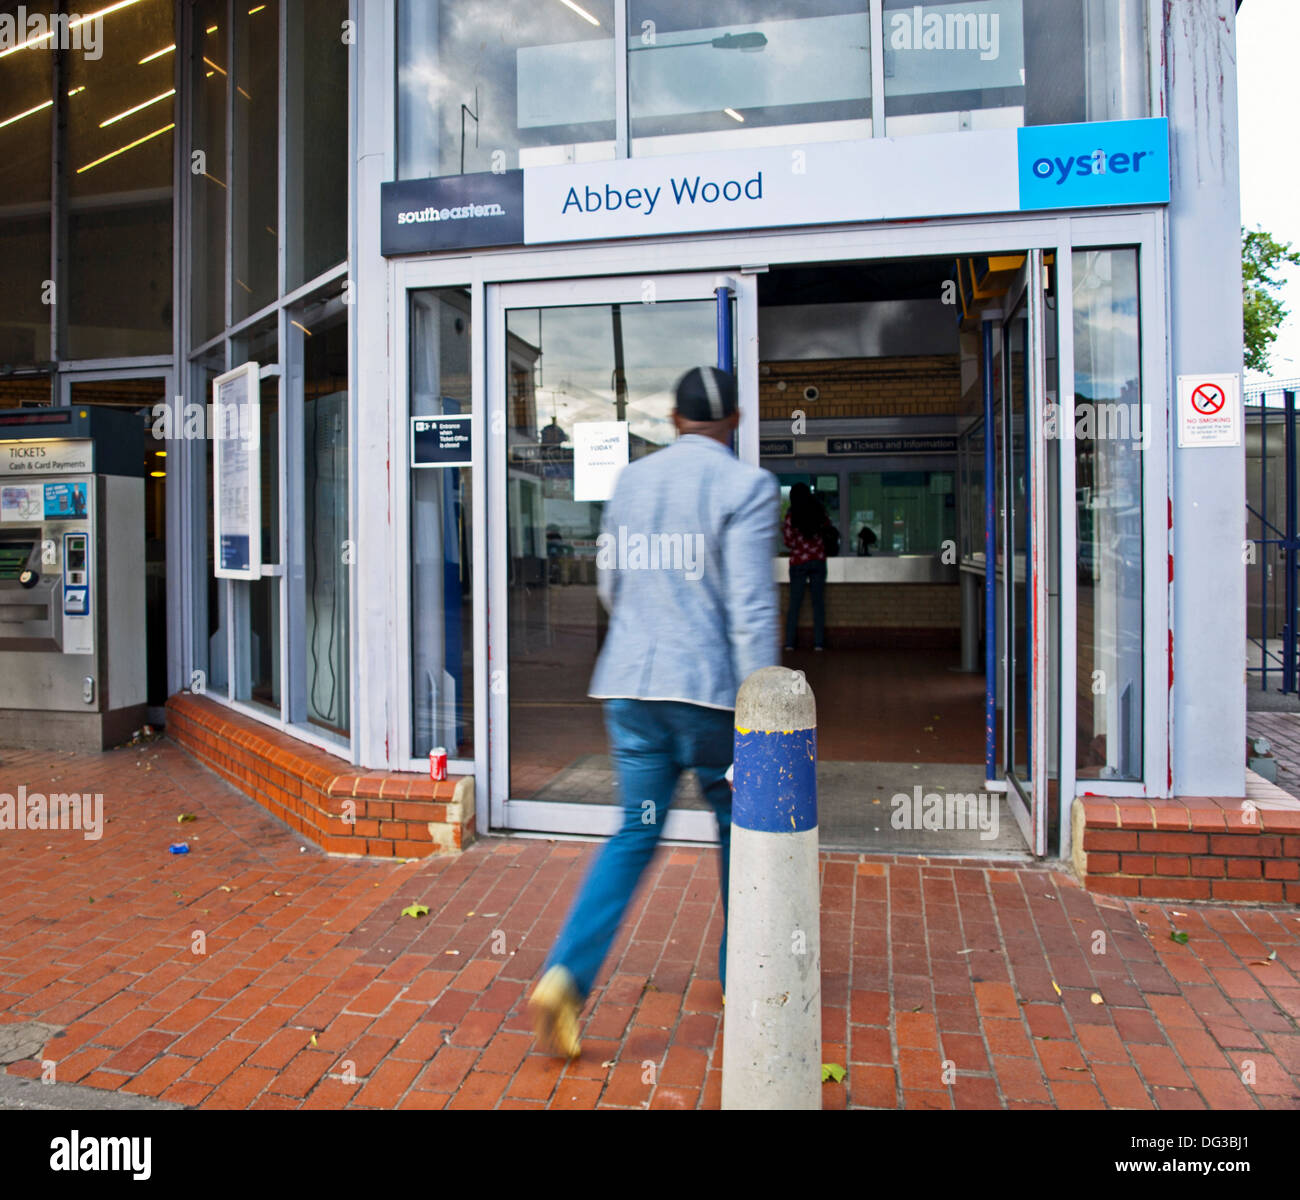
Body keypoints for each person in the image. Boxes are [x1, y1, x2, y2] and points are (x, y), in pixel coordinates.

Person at [528, 366, 779, 1059]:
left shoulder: (633, 482)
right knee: (739, 828)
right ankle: (741, 976)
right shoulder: (746, 487)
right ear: (734, 424)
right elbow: (752, 608)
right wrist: (765, 708)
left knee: (635, 834)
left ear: (674, 419)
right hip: (710, 700)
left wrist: (649, 633)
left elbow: (610, 583)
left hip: (633, 692)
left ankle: (566, 977)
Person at [783, 482, 832, 651]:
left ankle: (790, 643)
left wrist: (799, 545)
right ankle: (818, 643)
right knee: (818, 603)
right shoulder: (819, 511)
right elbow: (828, 531)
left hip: (798, 562)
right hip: (818, 560)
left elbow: (788, 541)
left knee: (795, 603)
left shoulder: (792, 515)